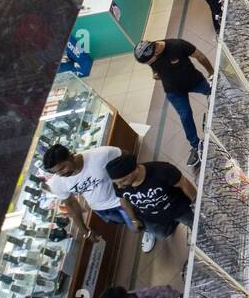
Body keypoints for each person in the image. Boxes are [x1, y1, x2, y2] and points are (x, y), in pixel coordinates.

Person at [135, 39, 214, 167]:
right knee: (185, 115)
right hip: (174, 91)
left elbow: (200, 56)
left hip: (194, 81)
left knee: (213, 92)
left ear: (155, 51)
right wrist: (155, 74)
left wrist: (212, 73)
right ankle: (196, 145)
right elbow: (155, 70)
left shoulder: (177, 45)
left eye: (149, 61)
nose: (149, 63)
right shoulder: (150, 57)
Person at [107, 153, 197, 252]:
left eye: (122, 181)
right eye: (116, 183)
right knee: (163, 234)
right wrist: (134, 219)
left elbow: (183, 183)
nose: (119, 186)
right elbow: (123, 201)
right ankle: (171, 224)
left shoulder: (163, 170)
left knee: (196, 224)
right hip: (151, 216)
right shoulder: (120, 185)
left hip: (177, 207)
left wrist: (195, 202)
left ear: (135, 170)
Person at [42, 143, 135, 238]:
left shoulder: (101, 155)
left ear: (71, 155)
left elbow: (126, 156)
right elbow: (71, 204)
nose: (60, 174)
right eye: (55, 172)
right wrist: (85, 231)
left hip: (121, 200)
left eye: (62, 168)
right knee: (124, 221)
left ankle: (149, 229)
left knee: (135, 226)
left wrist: (136, 184)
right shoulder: (57, 183)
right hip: (101, 210)